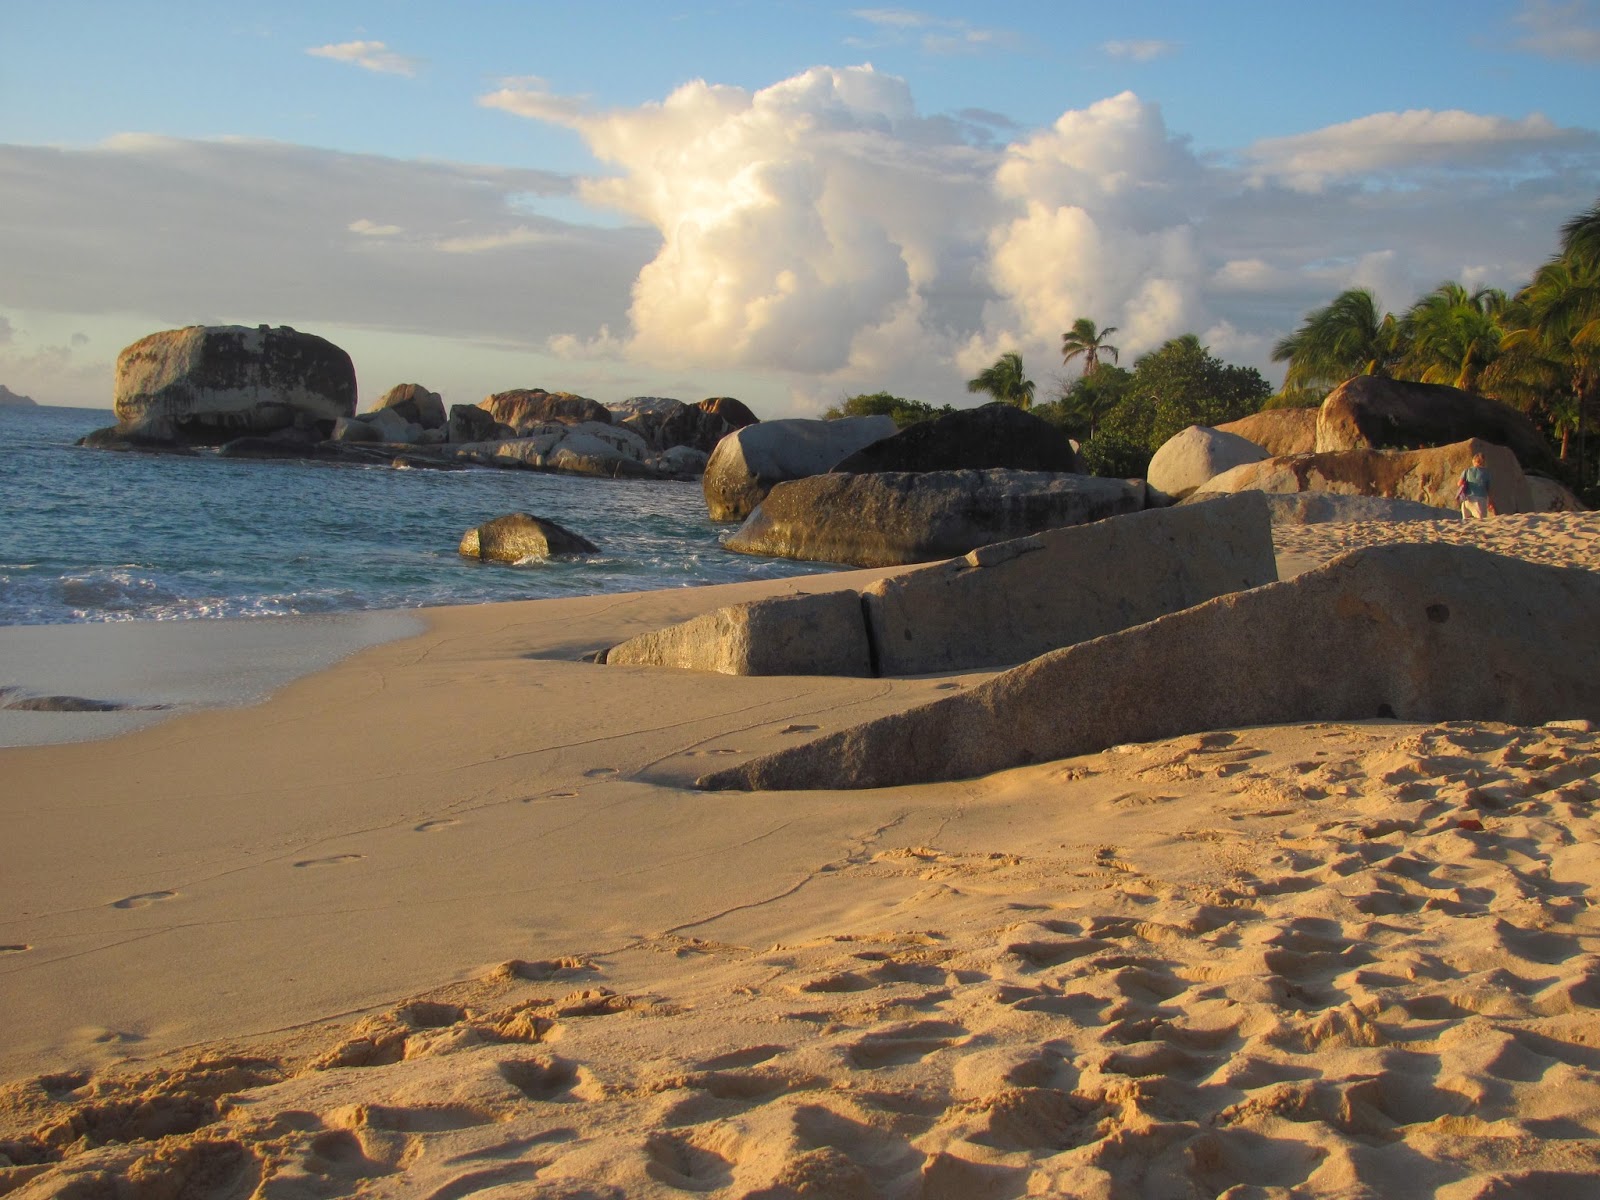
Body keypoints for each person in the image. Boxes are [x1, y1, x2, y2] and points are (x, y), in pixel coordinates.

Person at [1456, 451, 1496, 519]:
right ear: (1483, 462)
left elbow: (1459, 483)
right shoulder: (1486, 473)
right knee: (1481, 520)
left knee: (1466, 521)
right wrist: (1491, 502)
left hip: (1467, 499)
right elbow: (1489, 489)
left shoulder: (1467, 470)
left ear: (1474, 461)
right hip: (1480, 499)